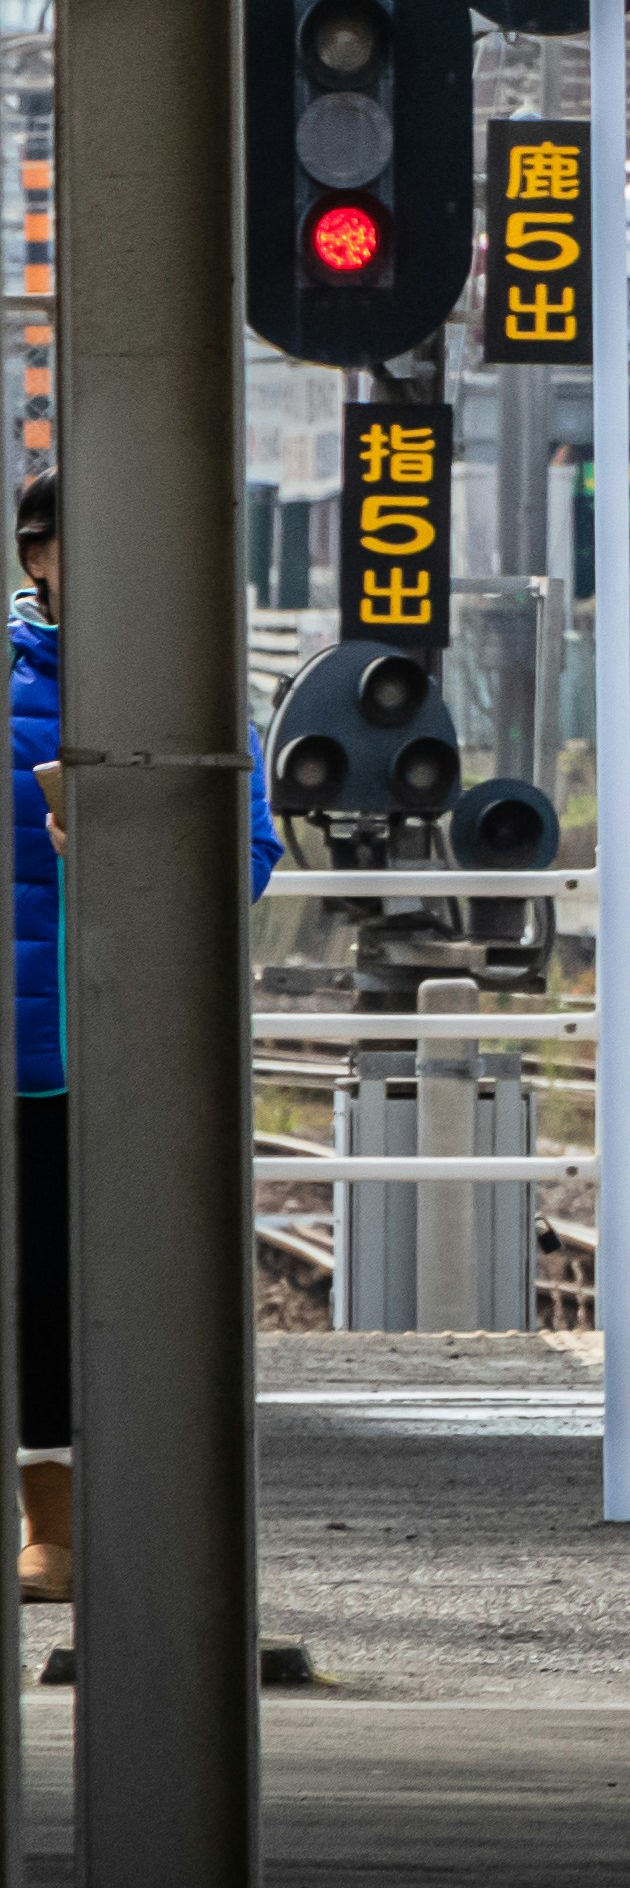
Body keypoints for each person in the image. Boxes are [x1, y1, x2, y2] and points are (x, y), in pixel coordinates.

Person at [11, 471, 283, 1604]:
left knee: (151, 1293)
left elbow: (255, 852)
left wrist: (136, 852)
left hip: (151, 1047)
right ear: (39, 560)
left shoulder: (200, 681)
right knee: (35, 1296)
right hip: (26, 1051)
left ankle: (149, 1524)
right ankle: (54, 1532)